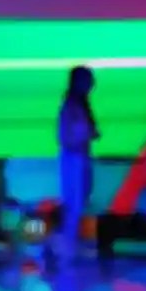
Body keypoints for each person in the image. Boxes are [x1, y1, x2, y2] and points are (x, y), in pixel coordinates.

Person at [52, 66, 99, 265]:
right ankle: (66, 248)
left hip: (77, 156)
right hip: (74, 157)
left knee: (76, 203)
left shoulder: (77, 104)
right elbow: (75, 133)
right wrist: (88, 133)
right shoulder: (73, 105)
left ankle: (68, 246)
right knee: (74, 204)